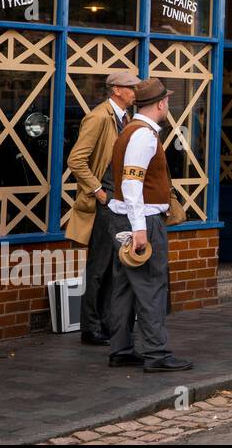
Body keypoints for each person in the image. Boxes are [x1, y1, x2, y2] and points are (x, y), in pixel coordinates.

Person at [107, 78, 191, 372]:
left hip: (124, 217)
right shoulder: (144, 135)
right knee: (152, 285)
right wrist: (140, 227)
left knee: (124, 287)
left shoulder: (131, 129)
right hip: (141, 218)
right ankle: (156, 353)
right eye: (166, 100)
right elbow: (132, 182)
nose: (168, 104)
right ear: (160, 104)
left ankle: (120, 349)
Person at [65, 70, 140, 346]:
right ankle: (90, 327)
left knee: (113, 267)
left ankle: (108, 323)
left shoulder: (125, 118)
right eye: (131, 87)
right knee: (98, 267)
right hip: (104, 205)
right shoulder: (98, 117)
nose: (135, 92)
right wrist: (98, 192)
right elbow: (76, 160)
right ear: (117, 90)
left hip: (119, 203)